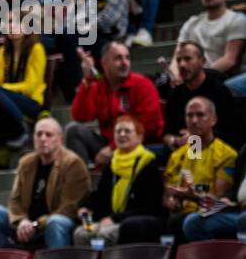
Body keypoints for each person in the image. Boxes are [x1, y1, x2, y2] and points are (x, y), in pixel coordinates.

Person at [0, 118, 90, 250]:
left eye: (48, 134)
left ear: (60, 139)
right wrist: (22, 221)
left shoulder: (73, 163)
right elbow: (15, 201)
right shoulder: (26, 162)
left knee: (56, 222)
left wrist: (36, 225)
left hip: (56, 223)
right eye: (38, 134)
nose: (42, 138)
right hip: (26, 223)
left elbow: (69, 208)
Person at [65, 41, 164, 167]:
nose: (124, 63)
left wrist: (113, 148)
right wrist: (87, 81)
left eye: (127, 58)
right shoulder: (99, 86)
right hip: (109, 146)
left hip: (143, 146)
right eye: (118, 58)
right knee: (74, 131)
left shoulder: (142, 84)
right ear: (104, 63)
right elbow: (80, 116)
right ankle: (81, 182)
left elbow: (148, 126)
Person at [72, 114, 165, 246]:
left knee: (106, 234)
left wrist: (114, 219)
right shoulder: (112, 163)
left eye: (127, 131)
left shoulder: (148, 163)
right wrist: (86, 208)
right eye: (118, 131)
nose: (121, 134)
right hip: (110, 220)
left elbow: (150, 206)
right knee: (81, 233)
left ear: (139, 137)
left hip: (135, 220)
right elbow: (101, 194)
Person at [160, 97, 238, 245]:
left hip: (206, 214)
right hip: (177, 215)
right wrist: (171, 201)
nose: (194, 120)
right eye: (190, 115)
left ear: (213, 119)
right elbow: (167, 195)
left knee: (178, 222)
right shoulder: (178, 155)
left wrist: (192, 195)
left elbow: (218, 199)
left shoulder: (226, 155)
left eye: (200, 115)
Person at [0, 9, 47, 150]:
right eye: (9, 22)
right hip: (9, 99)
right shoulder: (3, 52)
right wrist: (2, 89)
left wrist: (4, 89)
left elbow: (30, 87)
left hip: (31, 103)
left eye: (17, 22)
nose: (11, 26)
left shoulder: (36, 49)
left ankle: (23, 128)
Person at [161, 41, 244, 152]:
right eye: (179, 60)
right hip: (184, 151)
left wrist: (195, 138)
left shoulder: (219, 90)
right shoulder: (175, 94)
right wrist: (173, 140)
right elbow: (167, 133)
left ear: (203, 61)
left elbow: (230, 132)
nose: (182, 65)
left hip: (216, 152)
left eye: (187, 59)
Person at [178, 0, 246, 93]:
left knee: (222, 89)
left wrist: (198, 76)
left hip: (217, 76)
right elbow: (177, 56)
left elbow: (230, 59)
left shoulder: (237, 20)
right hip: (191, 75)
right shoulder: (191, 22)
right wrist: (175, 75)